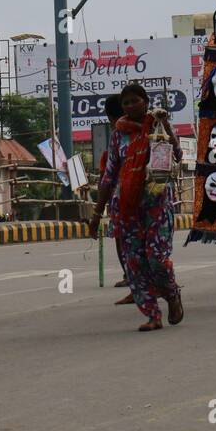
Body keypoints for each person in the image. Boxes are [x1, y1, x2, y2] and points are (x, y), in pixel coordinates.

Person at [89, 84, 184, 330]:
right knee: (134, 262)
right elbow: (109, 175)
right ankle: (153, 315)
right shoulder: (119, 134)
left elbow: (177, 154)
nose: (131, 106)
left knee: (156, 259)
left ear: (145, 101)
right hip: (128, 206)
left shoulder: (157, 124)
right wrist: (97, 212)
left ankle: (172, 294)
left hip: (157, 203)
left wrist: (168, 129)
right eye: (126, 103)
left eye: (135, 101)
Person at [97, 94, 133, 301]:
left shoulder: (151, 130)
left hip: (140, 199)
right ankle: (137, 281)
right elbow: (108, 174)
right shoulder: (117, 138)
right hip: (123, 200)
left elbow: (107, 176)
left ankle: (136, 278)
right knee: (126, 239)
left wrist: (97, 210)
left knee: (125, 240)